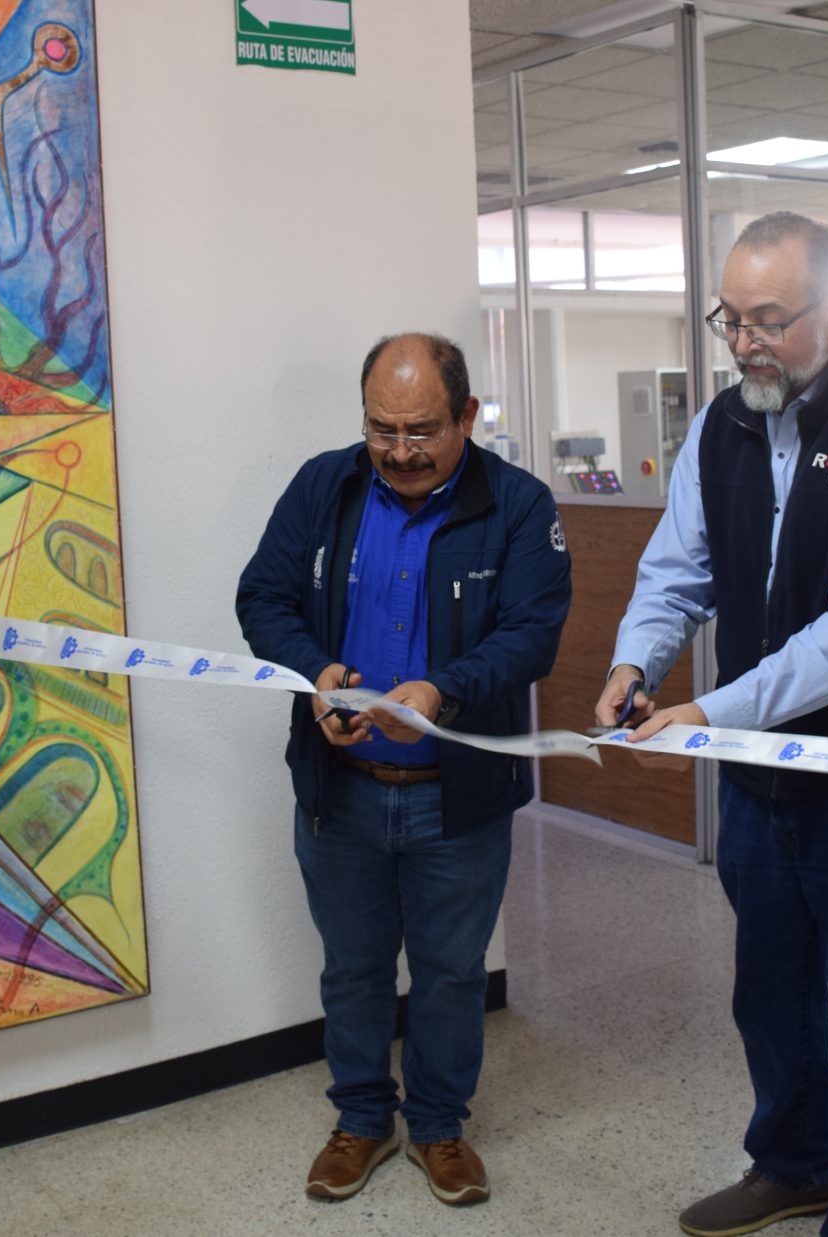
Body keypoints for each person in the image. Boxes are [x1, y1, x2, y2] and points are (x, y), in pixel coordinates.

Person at [593, 213, 828, 1237]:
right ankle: (791, 1166)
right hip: (757, 792)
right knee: (770, 996)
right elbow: (676, 569)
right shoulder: (723, 425)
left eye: (770, 319)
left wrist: (705, 712)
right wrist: (636, 663)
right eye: (730, 319)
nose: (746, 341)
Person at [236, 333, 570, 1208]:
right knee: (351, 967)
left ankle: (438, 1126)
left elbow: (532, 634)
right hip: (339, 791)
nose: (400, 450)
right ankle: (360, 1119)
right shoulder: (325, 486)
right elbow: (261, 595)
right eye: (381, 428)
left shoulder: (520, 505)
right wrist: (317, 670)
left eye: (421, 429)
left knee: (453, 971)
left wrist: (442, 691)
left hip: (454, 800)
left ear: (466, 415)